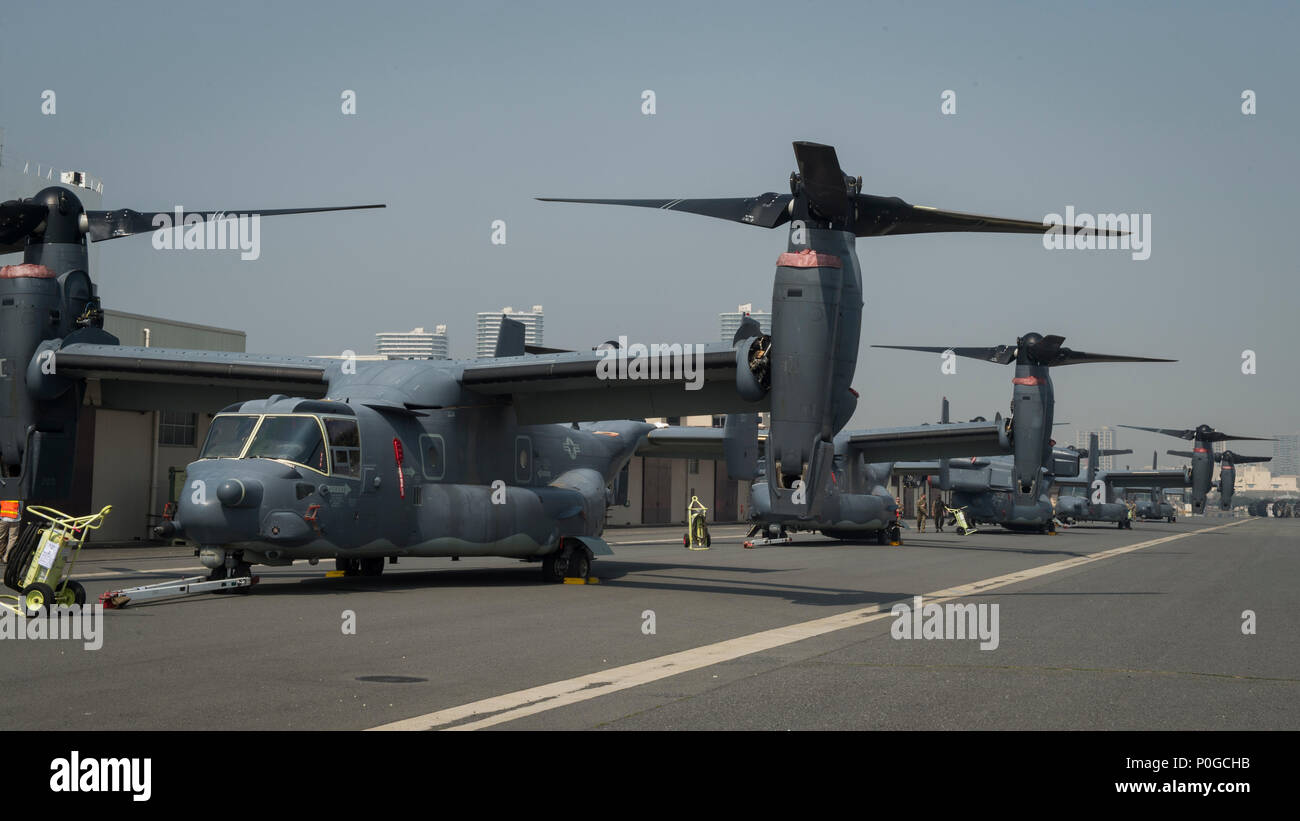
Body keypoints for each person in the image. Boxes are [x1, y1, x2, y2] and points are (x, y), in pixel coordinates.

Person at [0, 497, 21, 565]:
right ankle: (6, 557)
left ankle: (0, 553)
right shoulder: (19, 495)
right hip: (15, 518)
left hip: (4, 518)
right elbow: (21, 507)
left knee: (1, 537)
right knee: (12, 538)